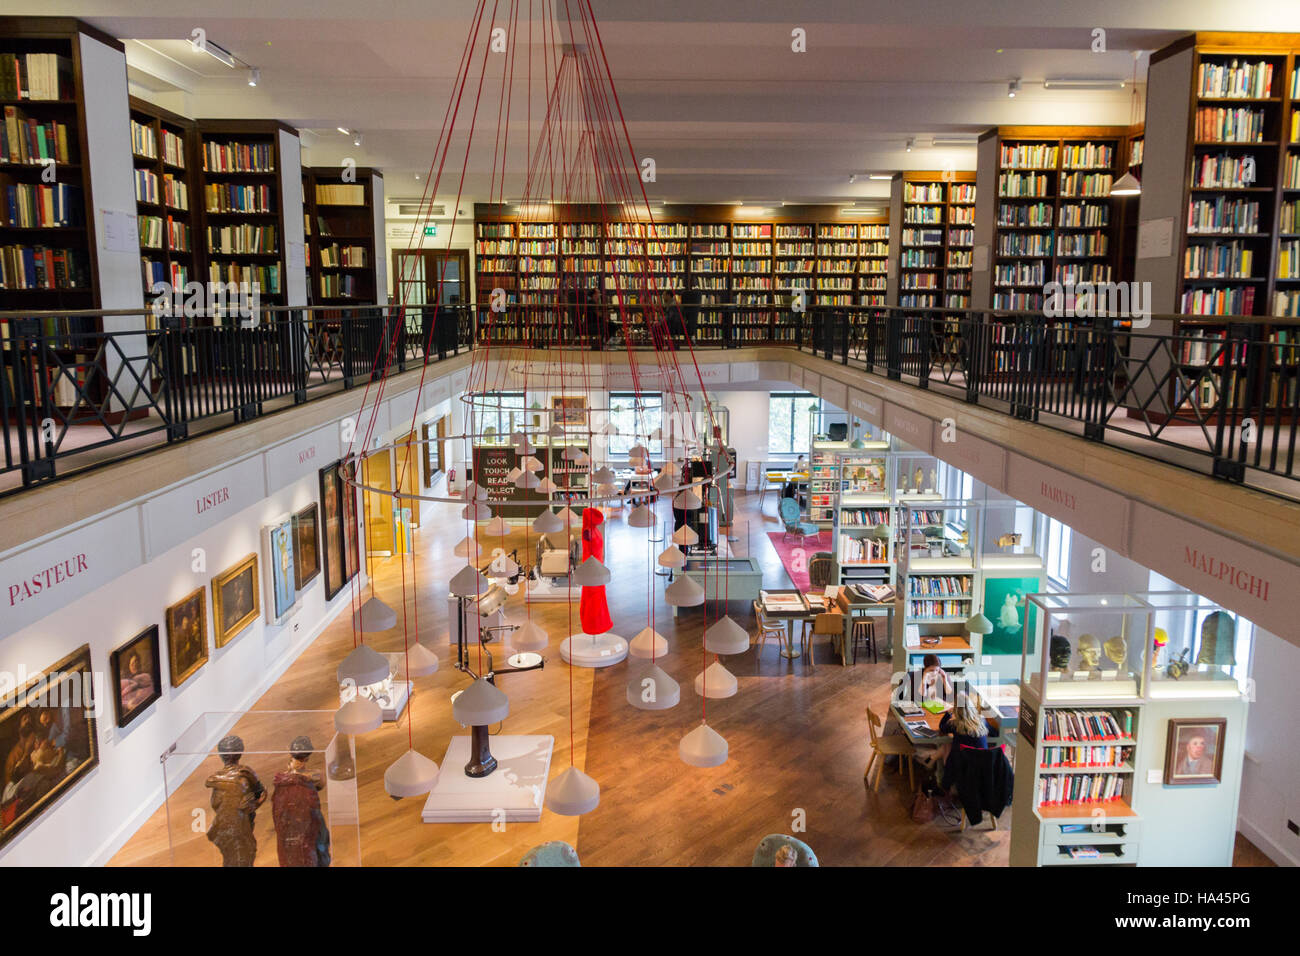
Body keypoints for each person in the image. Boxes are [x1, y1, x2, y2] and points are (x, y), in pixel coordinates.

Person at [205, 735, 267, 867]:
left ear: (221, 755)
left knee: (231, 857)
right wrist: (253, 803)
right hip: (241, 825)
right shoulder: (246, 773)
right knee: (243, 855)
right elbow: (260, 794)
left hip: (224, 827)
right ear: (240, 753)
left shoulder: (216, 778)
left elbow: (215, 804)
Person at [272, 736, 331, 867]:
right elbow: (321, 784)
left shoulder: (280, 778)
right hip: (310, 818)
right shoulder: (314, 776)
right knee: (319, 843)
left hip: (289, 821)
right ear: (307, 757)